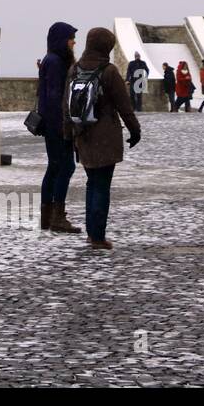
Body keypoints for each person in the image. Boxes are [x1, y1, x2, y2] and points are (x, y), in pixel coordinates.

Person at [62, 27, 141, 250]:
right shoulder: (108, 71)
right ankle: (97, 236)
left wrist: (69, 135)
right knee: (101, 186)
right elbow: (124, 106)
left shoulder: (74, 69)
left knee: (91, 183)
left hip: (83, 136)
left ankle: (92, 232)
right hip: (105, 137)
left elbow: (65, 106)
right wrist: (135, 131)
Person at [37, 22, 80, 233]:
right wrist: (63, 126)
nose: (74, 41)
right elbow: (55, 97)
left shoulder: (51, 60)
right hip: (57, 125)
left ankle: (47, 217)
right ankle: (57, 217)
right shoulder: (55, 62)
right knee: (65, 167)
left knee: (54, 167)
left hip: (53, 124)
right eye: (71, 38)